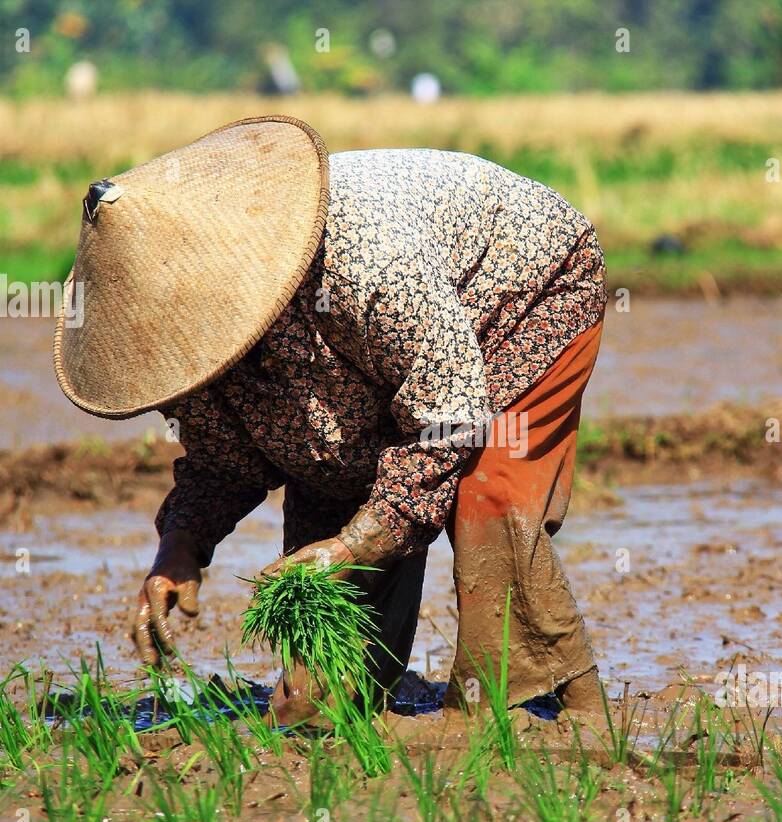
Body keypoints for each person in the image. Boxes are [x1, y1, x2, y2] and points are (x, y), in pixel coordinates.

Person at [54, 116, 608, 722]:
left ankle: (540, 708)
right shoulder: (185, 351)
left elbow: (448, 415)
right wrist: (181, 547)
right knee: (316, 699)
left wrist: (356, 542)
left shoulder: (363, 264)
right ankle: (355, 692)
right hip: (396, 356)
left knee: (485, 490)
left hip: (521, 287)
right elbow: (224, 459)